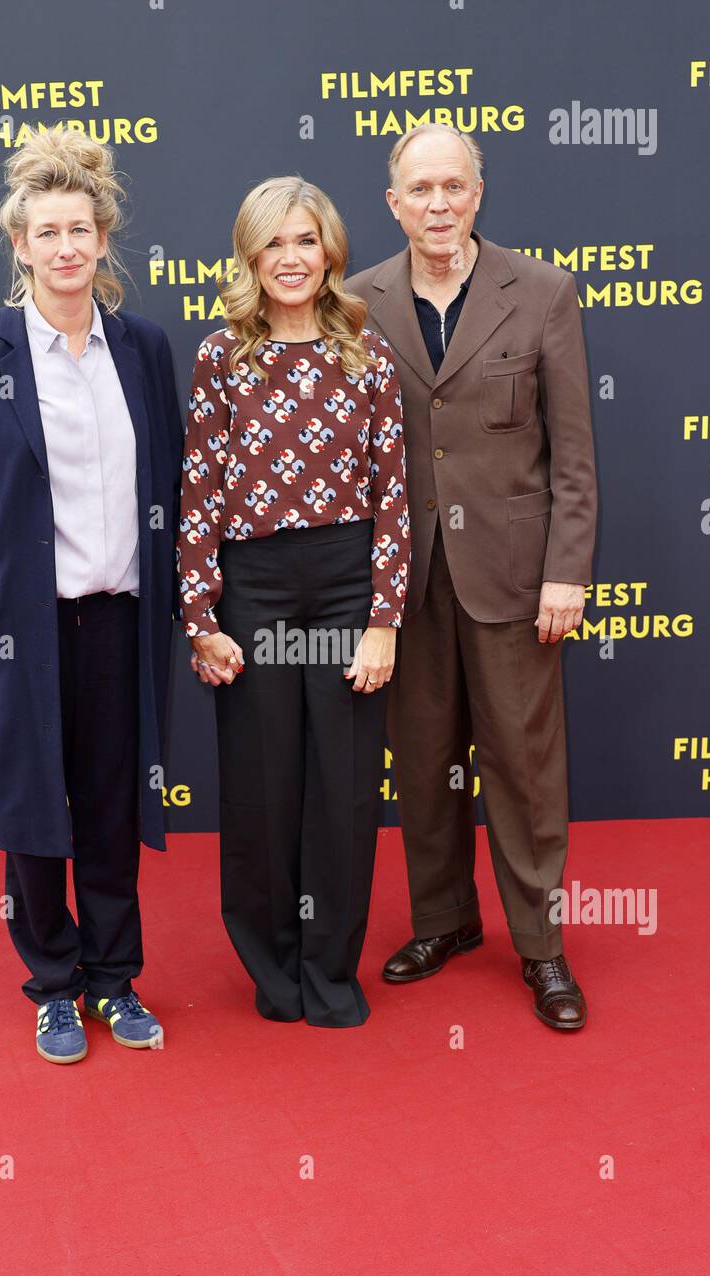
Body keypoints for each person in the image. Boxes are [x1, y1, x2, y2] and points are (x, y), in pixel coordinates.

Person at [0, 127, 183, 1062]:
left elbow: (171, 476)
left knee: (112, 800)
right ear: (20, 244)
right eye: (47, 232)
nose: (66, 247)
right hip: (17, 625)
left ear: (103, 240)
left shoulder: (145, 348)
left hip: (118, 615)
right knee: (35, 802)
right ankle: (54, 984)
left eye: (82, 228)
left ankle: (117, 979)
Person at [345, 124, 597, 1030]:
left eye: (454, 186)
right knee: (422, 765)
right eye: (421, 190)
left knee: (524, 770)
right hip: (402, 584)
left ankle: (543, 947)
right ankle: (444, 921)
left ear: (478, 194)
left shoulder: (542, 293)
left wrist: (566, 572)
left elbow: (573, 454)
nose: (439, 204)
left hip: (515, 577)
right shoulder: (356, 300)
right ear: (394, 203)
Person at [178, 176, 410, 1028]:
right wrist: (201, 617)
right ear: (250, 254)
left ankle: (330, 970)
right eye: (273, 242)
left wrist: (384, 621)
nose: (290, 258)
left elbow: (395, 496)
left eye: (305, 240)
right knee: (261, 784)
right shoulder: (219, 358)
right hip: (256, 590)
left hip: (349, 583)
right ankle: (273, 969)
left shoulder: (367, 351)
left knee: (345, 786)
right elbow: (198, 491)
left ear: (330, 252)